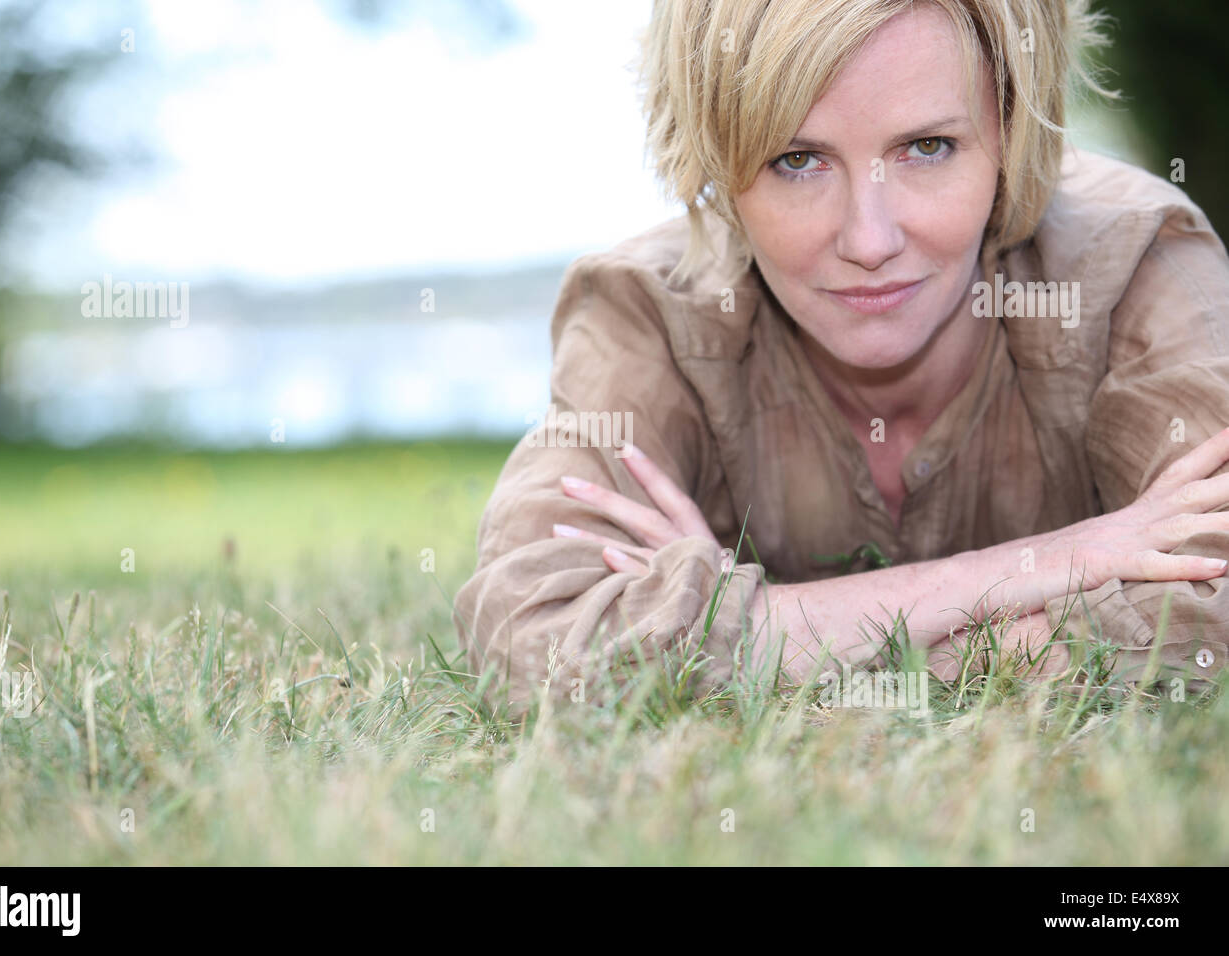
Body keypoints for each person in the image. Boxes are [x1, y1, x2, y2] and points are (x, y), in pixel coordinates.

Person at [453, 0, 1229, 710]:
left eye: (928, 147)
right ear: (718, 164)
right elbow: (530, 643)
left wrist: (753, 635)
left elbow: (1212, 614)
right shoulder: (650, 313)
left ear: (1012, 133)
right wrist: (1047, 564)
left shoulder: (1135, 265)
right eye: (798, 160)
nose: (870, 241)